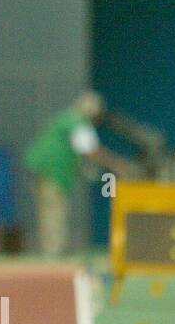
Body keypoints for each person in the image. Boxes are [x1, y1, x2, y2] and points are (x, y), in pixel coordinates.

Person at [23, 92, 129, 257]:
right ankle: (53, 251)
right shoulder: (78, 123)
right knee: (54, 210)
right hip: (53, 171)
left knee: (46, 210)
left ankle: (49, 250)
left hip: (41, 168)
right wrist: (116, 164)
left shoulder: (66, 118)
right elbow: (91, 151)